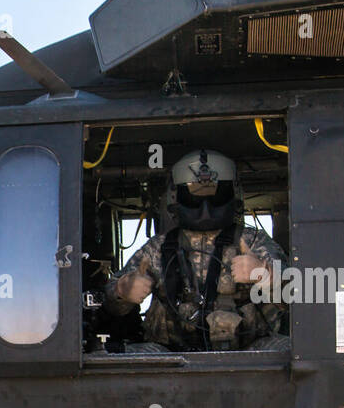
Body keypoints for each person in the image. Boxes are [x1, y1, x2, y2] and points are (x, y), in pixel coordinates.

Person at [104, 148, 289, 353]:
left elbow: (298, 296)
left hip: (249, 352)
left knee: (287, 350)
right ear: (175, 198)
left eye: (217, 197)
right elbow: (110, 305)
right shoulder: (158, 248)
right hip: (170, 356)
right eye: (193, 198)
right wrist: (122, 291)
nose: (206, 209)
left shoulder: (253, 241)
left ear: (234, 194)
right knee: (122, 358)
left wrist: (265, 275)